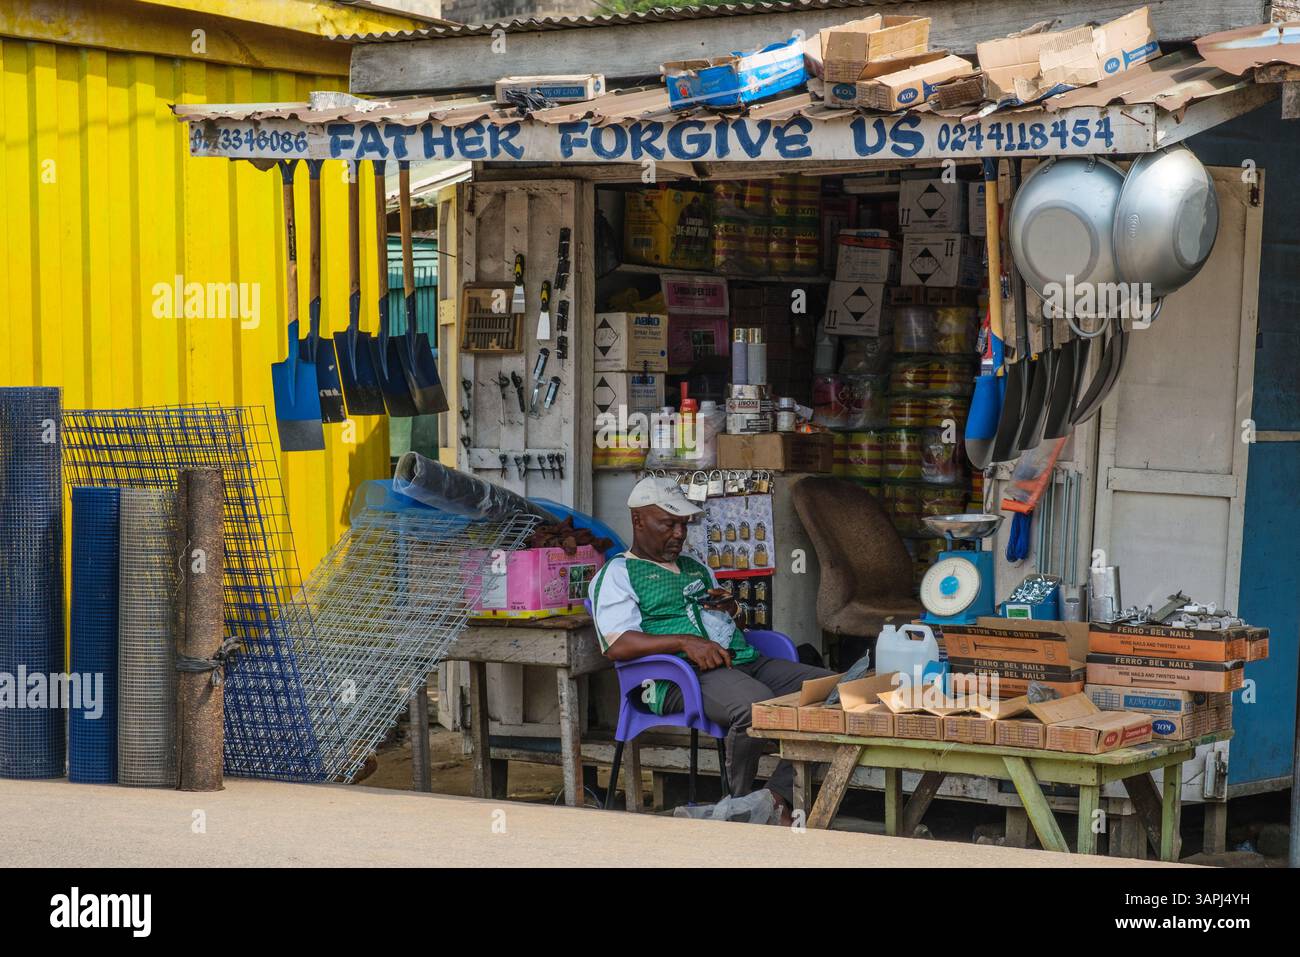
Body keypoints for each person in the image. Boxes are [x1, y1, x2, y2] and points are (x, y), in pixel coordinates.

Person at [590, 476, 834, 825]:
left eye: (683, 525)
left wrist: (730, 607)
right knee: (755, 707)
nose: (678, 534)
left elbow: (721, 617)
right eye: (669, 523)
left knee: (833, 695)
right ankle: (737, 806)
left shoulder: (696, 567)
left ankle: (774, 799)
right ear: (638, 520)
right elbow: (617, 644)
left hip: (742, 661)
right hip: (678, 677)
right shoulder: (618, 573)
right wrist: (684, 643)